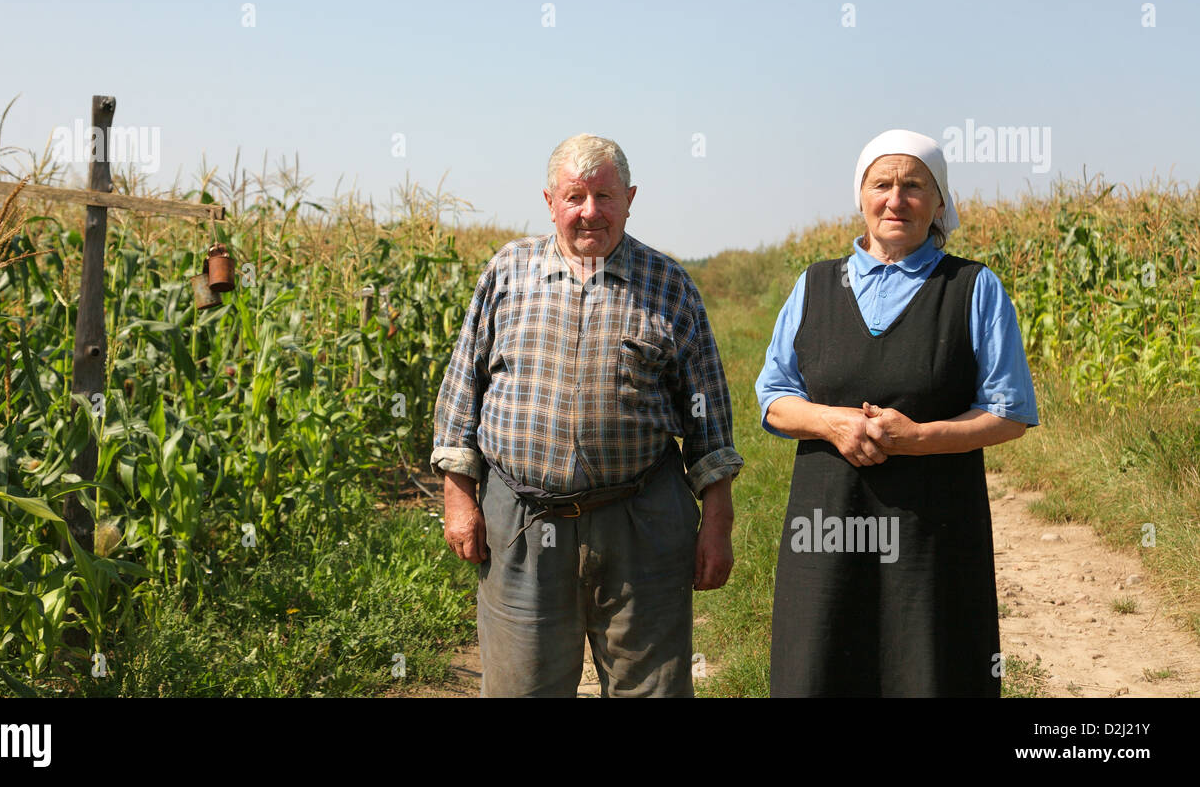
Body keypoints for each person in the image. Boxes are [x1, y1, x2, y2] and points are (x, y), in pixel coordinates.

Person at [432, 133, 743, 697]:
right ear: (550, 201)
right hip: (524, 522)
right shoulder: (507, 273)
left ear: (630, 198)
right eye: (575, 196)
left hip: (641, 522)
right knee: (522, 687)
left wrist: (716, 525)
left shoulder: (668, 285)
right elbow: (461, 397)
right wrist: (459, 499)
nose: (590, 212)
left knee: (651, 687)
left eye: (605, 195)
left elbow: (709, 422)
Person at [755, 129, 1039, 697]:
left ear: (940, 202)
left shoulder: (972, 288)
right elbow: (774, 397)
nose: (896, 199)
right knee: (820, 666)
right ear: (860, 197)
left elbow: (1009, 412)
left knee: (931, 669)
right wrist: (834, 423)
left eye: (914, 186)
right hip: (827, 526)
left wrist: (920, 436)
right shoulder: (813, 285)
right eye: (881, 184)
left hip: (933, 531)